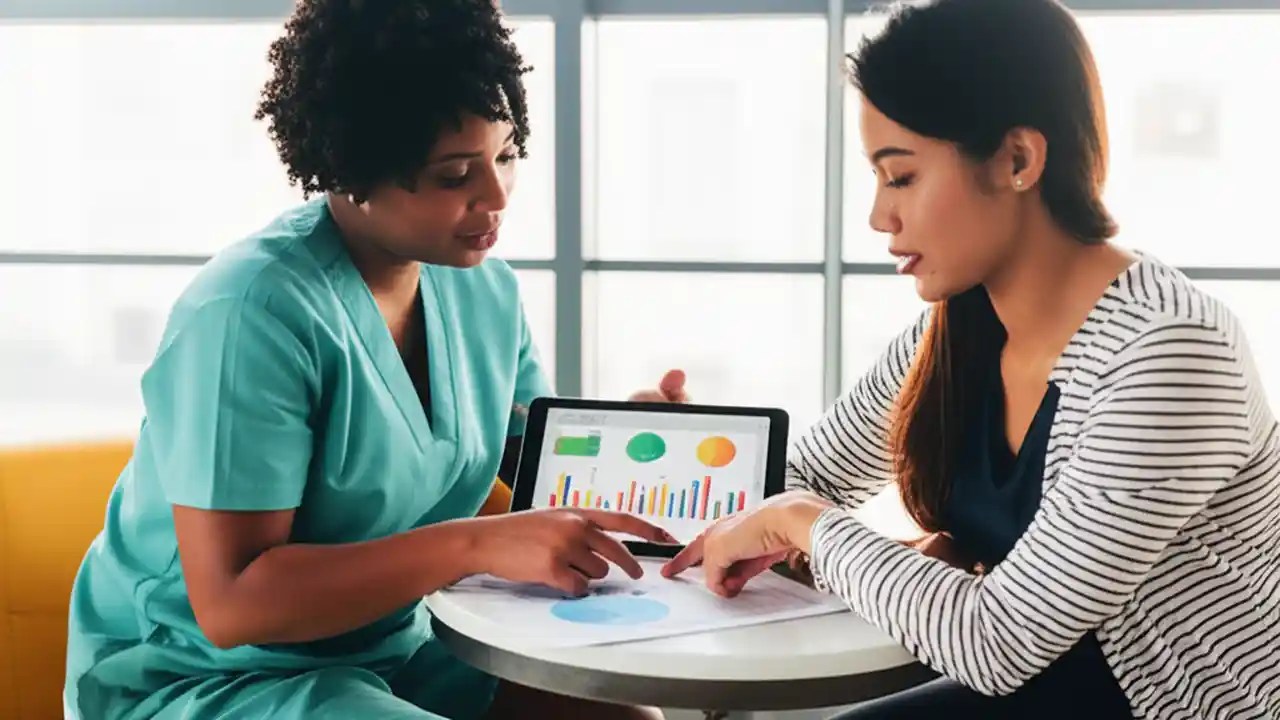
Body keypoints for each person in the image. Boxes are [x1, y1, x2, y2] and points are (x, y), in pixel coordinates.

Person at [63, 2, 683, 718]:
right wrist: (471, 545)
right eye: (455, 174)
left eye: (507, 155)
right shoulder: (248, 316)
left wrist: (635, 445)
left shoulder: (482, 287)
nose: (496, 196)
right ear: (352, 167)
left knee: (622, 715)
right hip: (206, 675)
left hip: (390, 650)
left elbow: (530, 471)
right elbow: (233, 603)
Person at [663, 1, 1280, 718]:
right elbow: (799, 477)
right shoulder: (963, 327)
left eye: (901, 178)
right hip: (1045, 689)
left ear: (1018, 160)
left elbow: (997, 637)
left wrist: (804, 522)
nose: (878, 217)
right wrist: (697, 463)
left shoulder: (1172, 355)